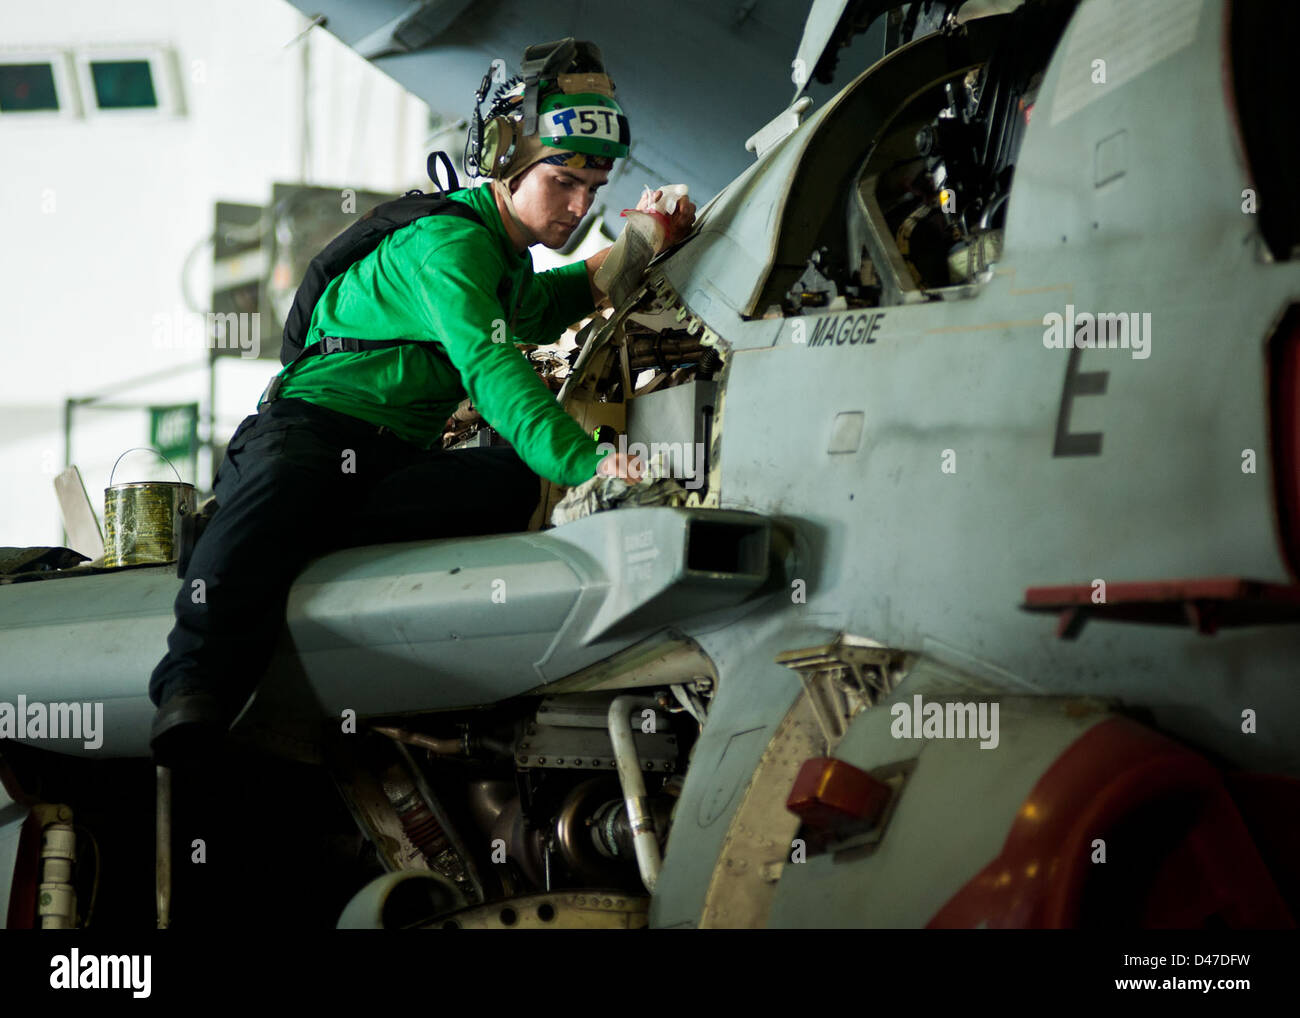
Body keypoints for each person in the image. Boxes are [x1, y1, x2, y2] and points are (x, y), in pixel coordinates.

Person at [148, 41, 696, 765]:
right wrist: (585, 459)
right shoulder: (451, 246)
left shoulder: (496, 252)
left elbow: (533, 309)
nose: (578, 205)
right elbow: (491, 363)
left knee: (504, 483)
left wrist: (642, 242)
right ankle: (191, 693)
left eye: (592, 190)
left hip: (384, 462)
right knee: (281, 495)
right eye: (563, 182)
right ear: (508, 162)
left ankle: (290, 534)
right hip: (310, 431)